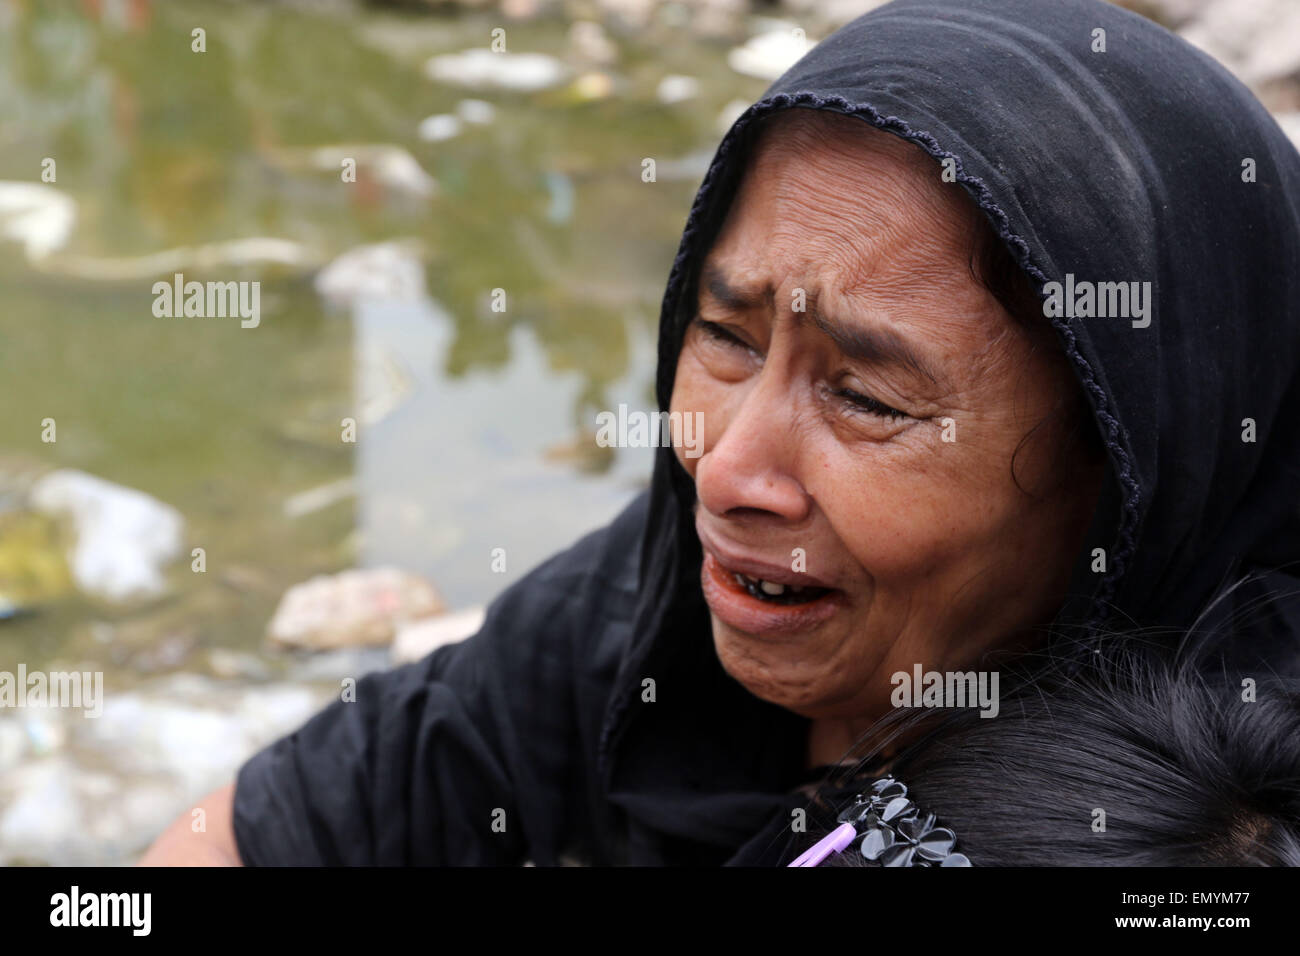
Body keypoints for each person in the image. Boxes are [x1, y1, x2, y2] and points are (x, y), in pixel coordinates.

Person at [140, 0, 1300, 866]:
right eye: (727, 337)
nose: (728, 467)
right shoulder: (663, 621)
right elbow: (263, 832)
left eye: (865, 397)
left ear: (1131, 466)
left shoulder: (1189, 835)